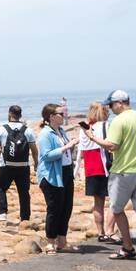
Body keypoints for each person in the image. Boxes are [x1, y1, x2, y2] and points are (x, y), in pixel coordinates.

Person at [83, 90, 136, 263]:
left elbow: (112, 146)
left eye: (112, 105)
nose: (110, 108)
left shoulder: (118, 121)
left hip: (122, 171)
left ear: (120, 103)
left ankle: (128, 247)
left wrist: (93, 138)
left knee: (117, 209)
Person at [36, 103, 76, 253]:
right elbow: (47, 156)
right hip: (52, 175)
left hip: (66, 172)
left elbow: (64, 152)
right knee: (54, 208)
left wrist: (71, 145)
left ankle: (62, 240)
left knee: (66, 207)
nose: (64, 115)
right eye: (61, 113)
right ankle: (50, 242)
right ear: (51, 117)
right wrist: (67, 146)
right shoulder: (45, 134)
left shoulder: (61, 131)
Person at [76, 102, 114, 241]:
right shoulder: (105, 125)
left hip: (91, 168)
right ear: (101, 112)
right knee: (115, 201)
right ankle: (110, 230)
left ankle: (101, 233)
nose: (108, 113)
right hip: (105, 167)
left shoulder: (84, 128)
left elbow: (81, 150)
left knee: (98, 203)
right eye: (106, 111)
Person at [0, 105, 36, 224]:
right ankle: (25, 217)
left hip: (6, 165)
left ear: (10, 114)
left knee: (0, 188)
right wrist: (36, 163)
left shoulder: (1, 129)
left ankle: (2, 212)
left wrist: (0, 159)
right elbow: (34, 149)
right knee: (23, 191)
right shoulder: (27, 130)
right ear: (20, 115)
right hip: (23, 166)